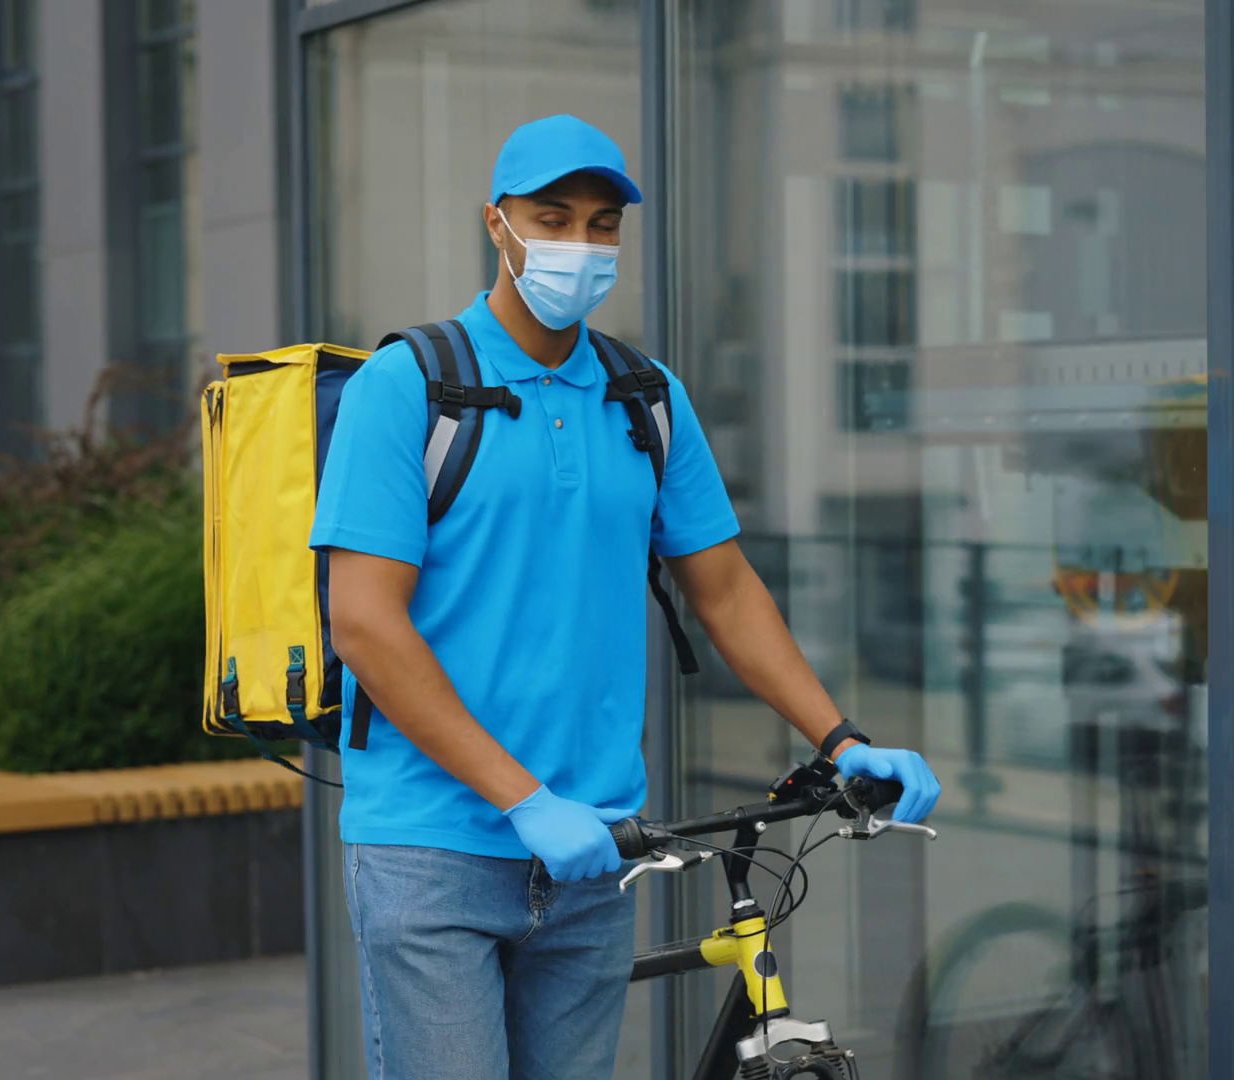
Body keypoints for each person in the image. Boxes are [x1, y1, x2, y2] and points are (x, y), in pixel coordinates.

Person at [310, 114, 942, 1080]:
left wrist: (842, 740)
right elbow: (363, 621)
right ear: (496, 222)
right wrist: (522, 799)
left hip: (597, 854)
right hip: (433, 848)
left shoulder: (644, 397)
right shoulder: (408, 387)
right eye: (552, 217)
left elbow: (726, 592)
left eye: (602, 224)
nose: (581, 242)